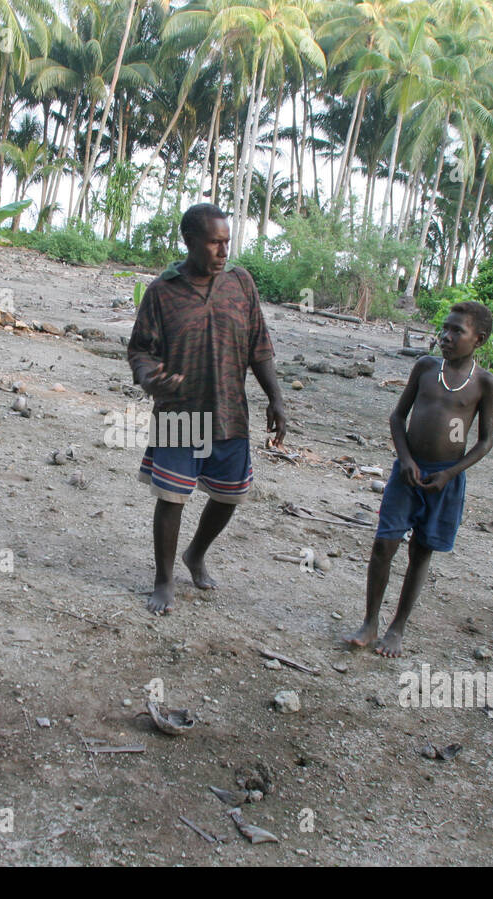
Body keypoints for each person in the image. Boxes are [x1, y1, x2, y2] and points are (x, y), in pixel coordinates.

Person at [127, 203, 286, 615]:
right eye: (214, 243)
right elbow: (140, 349)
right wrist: (149, 378)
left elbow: (259, 345)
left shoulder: (240, 283)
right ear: (190, 242)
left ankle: (195, 554)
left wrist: (276, 397)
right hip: (180, 412)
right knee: (171, 496)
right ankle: (163, 580)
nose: (223, 251)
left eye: (227, 242)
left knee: (231, 494)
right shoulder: (162, 290)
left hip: (230, 411)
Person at [345, 301, 493, 656]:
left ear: (479, 339)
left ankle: (397, 627)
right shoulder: (426, 368)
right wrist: (406, 459)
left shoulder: (484, 383)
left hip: (444, 479)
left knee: (421, 550)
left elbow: (485, 441)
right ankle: (370, 622)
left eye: (457, 331)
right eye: (444, 328)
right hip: (407, 472)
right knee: (384, 544)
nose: (445, 336)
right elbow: (398, 417)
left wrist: (449, 473)